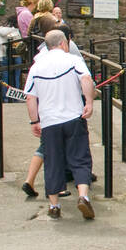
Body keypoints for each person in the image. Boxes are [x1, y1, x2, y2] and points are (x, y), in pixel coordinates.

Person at [24, 30, 96, 220]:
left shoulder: (37, 67)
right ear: (64, 44)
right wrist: (89, 102)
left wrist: (34, 121)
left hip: (49, 122)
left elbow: (30, 96)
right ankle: (83, 196)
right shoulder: (72, 61)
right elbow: (86, 79)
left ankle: (54, 205)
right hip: (73, 117)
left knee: (52, 161)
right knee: (80, 158)